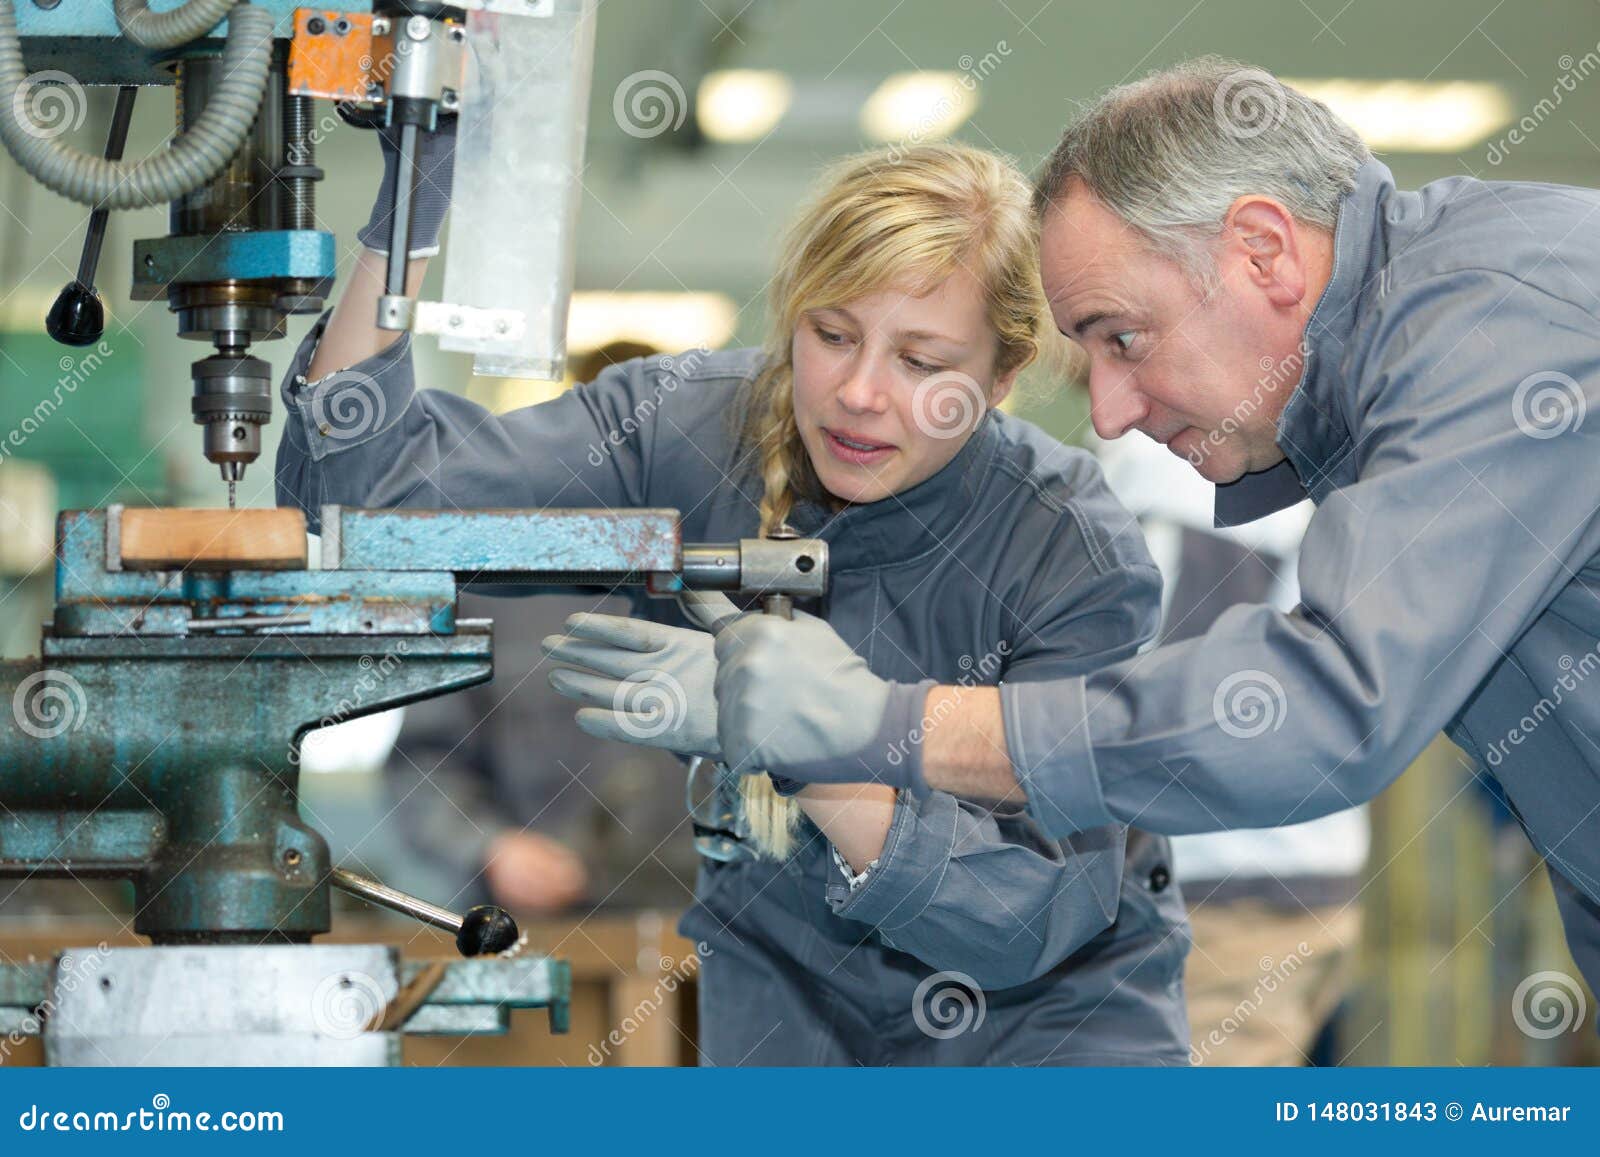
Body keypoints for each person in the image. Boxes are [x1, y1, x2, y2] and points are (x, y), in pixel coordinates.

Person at [707, 56, 1600, 1012]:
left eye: (1122, 338)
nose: (1107, 411)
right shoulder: (1394, 370)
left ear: (1263, 252)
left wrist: (880, 723)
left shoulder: (1496, 319)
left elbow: (1326, 704)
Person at [275, 132, 1191, 1065]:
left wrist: (807, 743)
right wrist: (409, 214)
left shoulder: (1068, 552)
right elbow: (373, 508)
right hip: (787, 1015)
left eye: (922, 362)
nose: (861, 394)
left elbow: (1024, 919)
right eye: (832, 335)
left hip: (1045, 1045)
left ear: (1003, 374)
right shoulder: (684, 429)